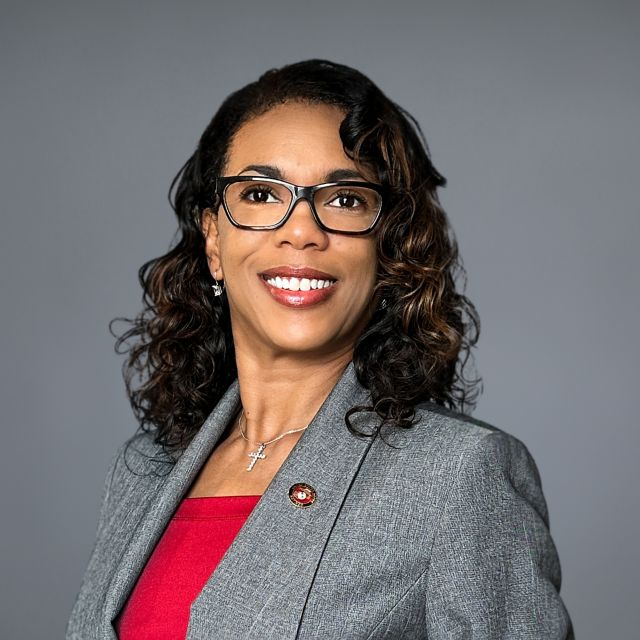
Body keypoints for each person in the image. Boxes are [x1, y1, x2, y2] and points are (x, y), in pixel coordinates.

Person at [66, 59, 574, 639]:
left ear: (388, 246)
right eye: (261, 194)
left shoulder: (459, 477)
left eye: (345, 200)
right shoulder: (142, 471)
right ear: (213, 242)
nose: (302, 231)